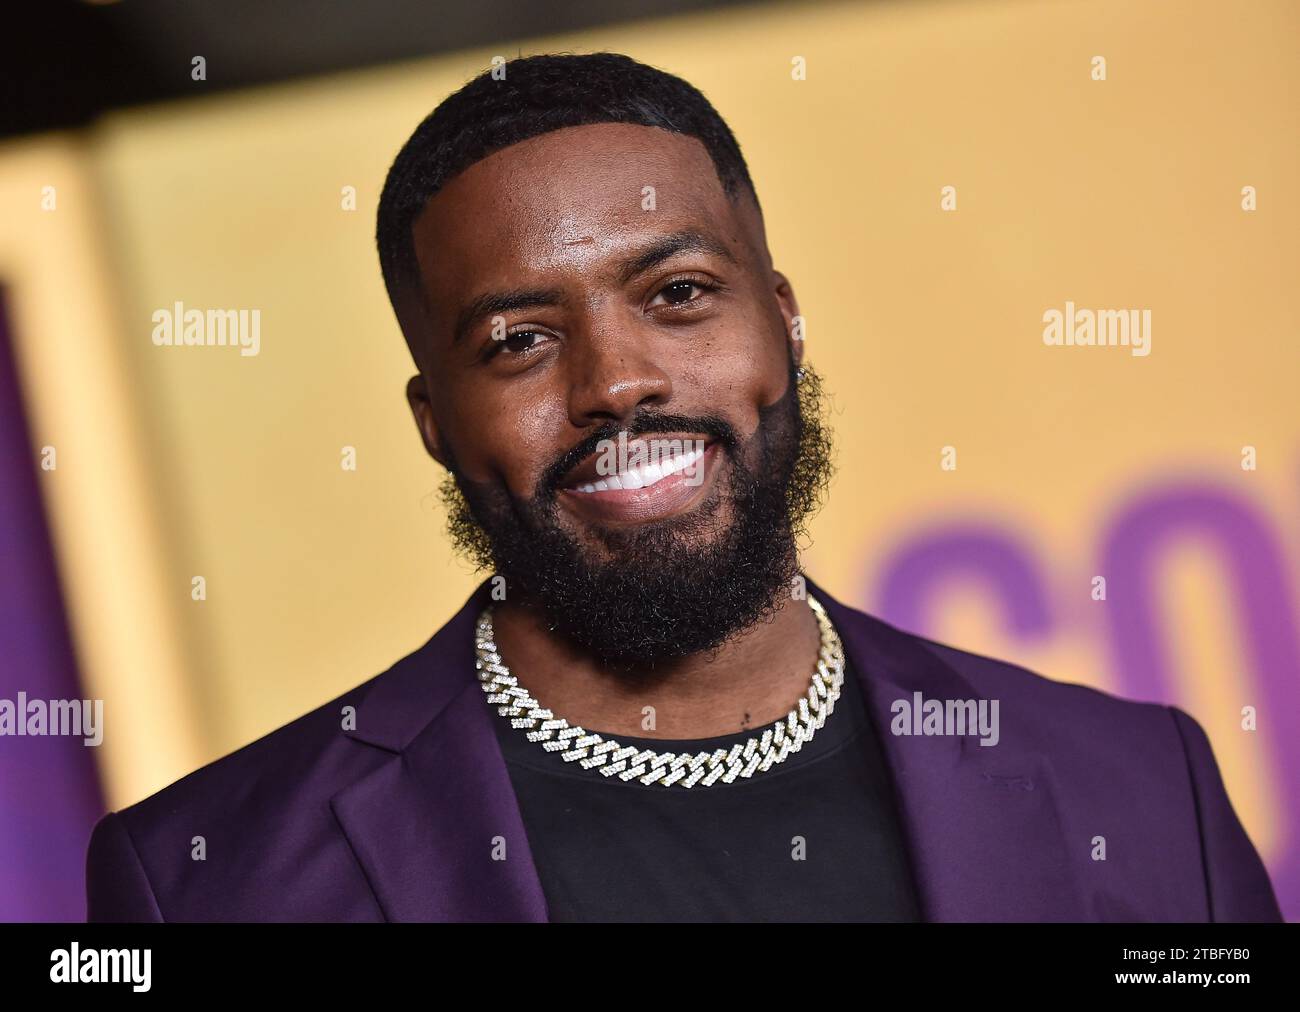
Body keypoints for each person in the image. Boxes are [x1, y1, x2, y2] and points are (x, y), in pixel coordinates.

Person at [85, 52, 1282, 922]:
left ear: (784, 318)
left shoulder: (1135, 784)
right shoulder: (208, 878)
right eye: (517, 340)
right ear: (433, 424)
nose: (617, 384)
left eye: (677, 296)